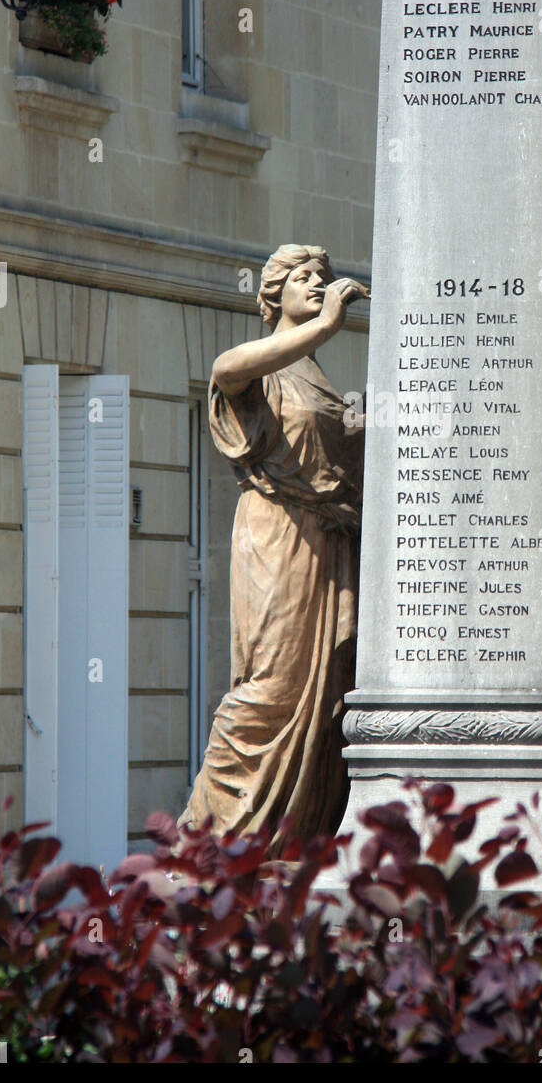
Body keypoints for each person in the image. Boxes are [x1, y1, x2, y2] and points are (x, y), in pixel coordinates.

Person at [178, 244, 369, 849]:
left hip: (332, 542)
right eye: (304, 278)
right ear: (274, 295)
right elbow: (226, 369)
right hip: (278, 534)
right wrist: (324, 326)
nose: (318, 284)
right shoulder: (265, 367)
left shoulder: (317, 380)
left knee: (330, 693)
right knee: (272, 688)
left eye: (324, 277)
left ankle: (291, 843)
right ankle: (206, 842)